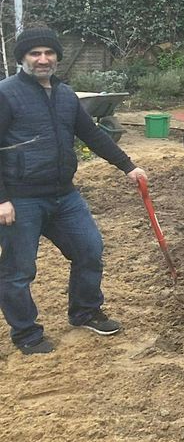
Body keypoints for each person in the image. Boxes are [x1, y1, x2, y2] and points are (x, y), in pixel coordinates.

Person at [0, 26, 148, 355]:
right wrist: (2, 199)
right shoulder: (6, 94)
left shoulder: (65, 95)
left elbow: (92, 135)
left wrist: (128, 165)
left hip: (64, 195)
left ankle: (84, 312)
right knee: (19, 270)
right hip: (21, 199)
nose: (42, 59)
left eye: (49, 53)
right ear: (22, 58)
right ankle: (26, 333)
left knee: (89, 250)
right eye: (34, 53)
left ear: (57, 58)